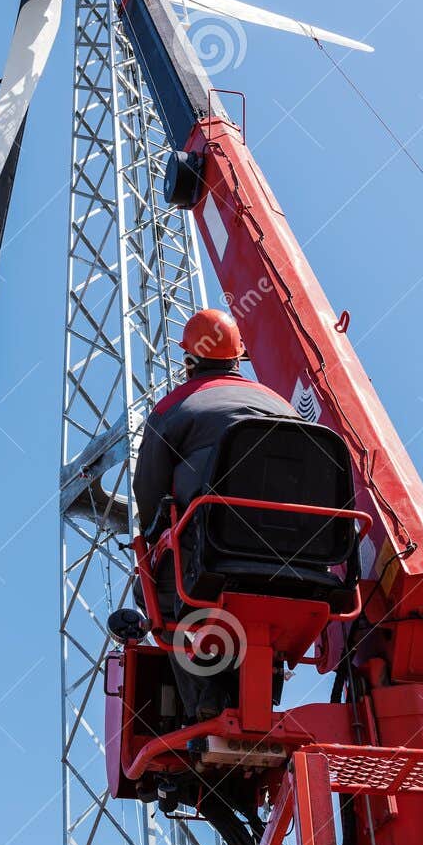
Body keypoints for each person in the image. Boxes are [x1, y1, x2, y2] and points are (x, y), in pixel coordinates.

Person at [132, 308, 299, 724]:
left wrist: (154, 538)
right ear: (239, 357)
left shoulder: (176, 408)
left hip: (210, 561)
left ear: (189, 361)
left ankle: (206, 701)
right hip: (296, 566)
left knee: (153, 589)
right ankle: (260, 687)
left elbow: (148, 494)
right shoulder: (281, 406)